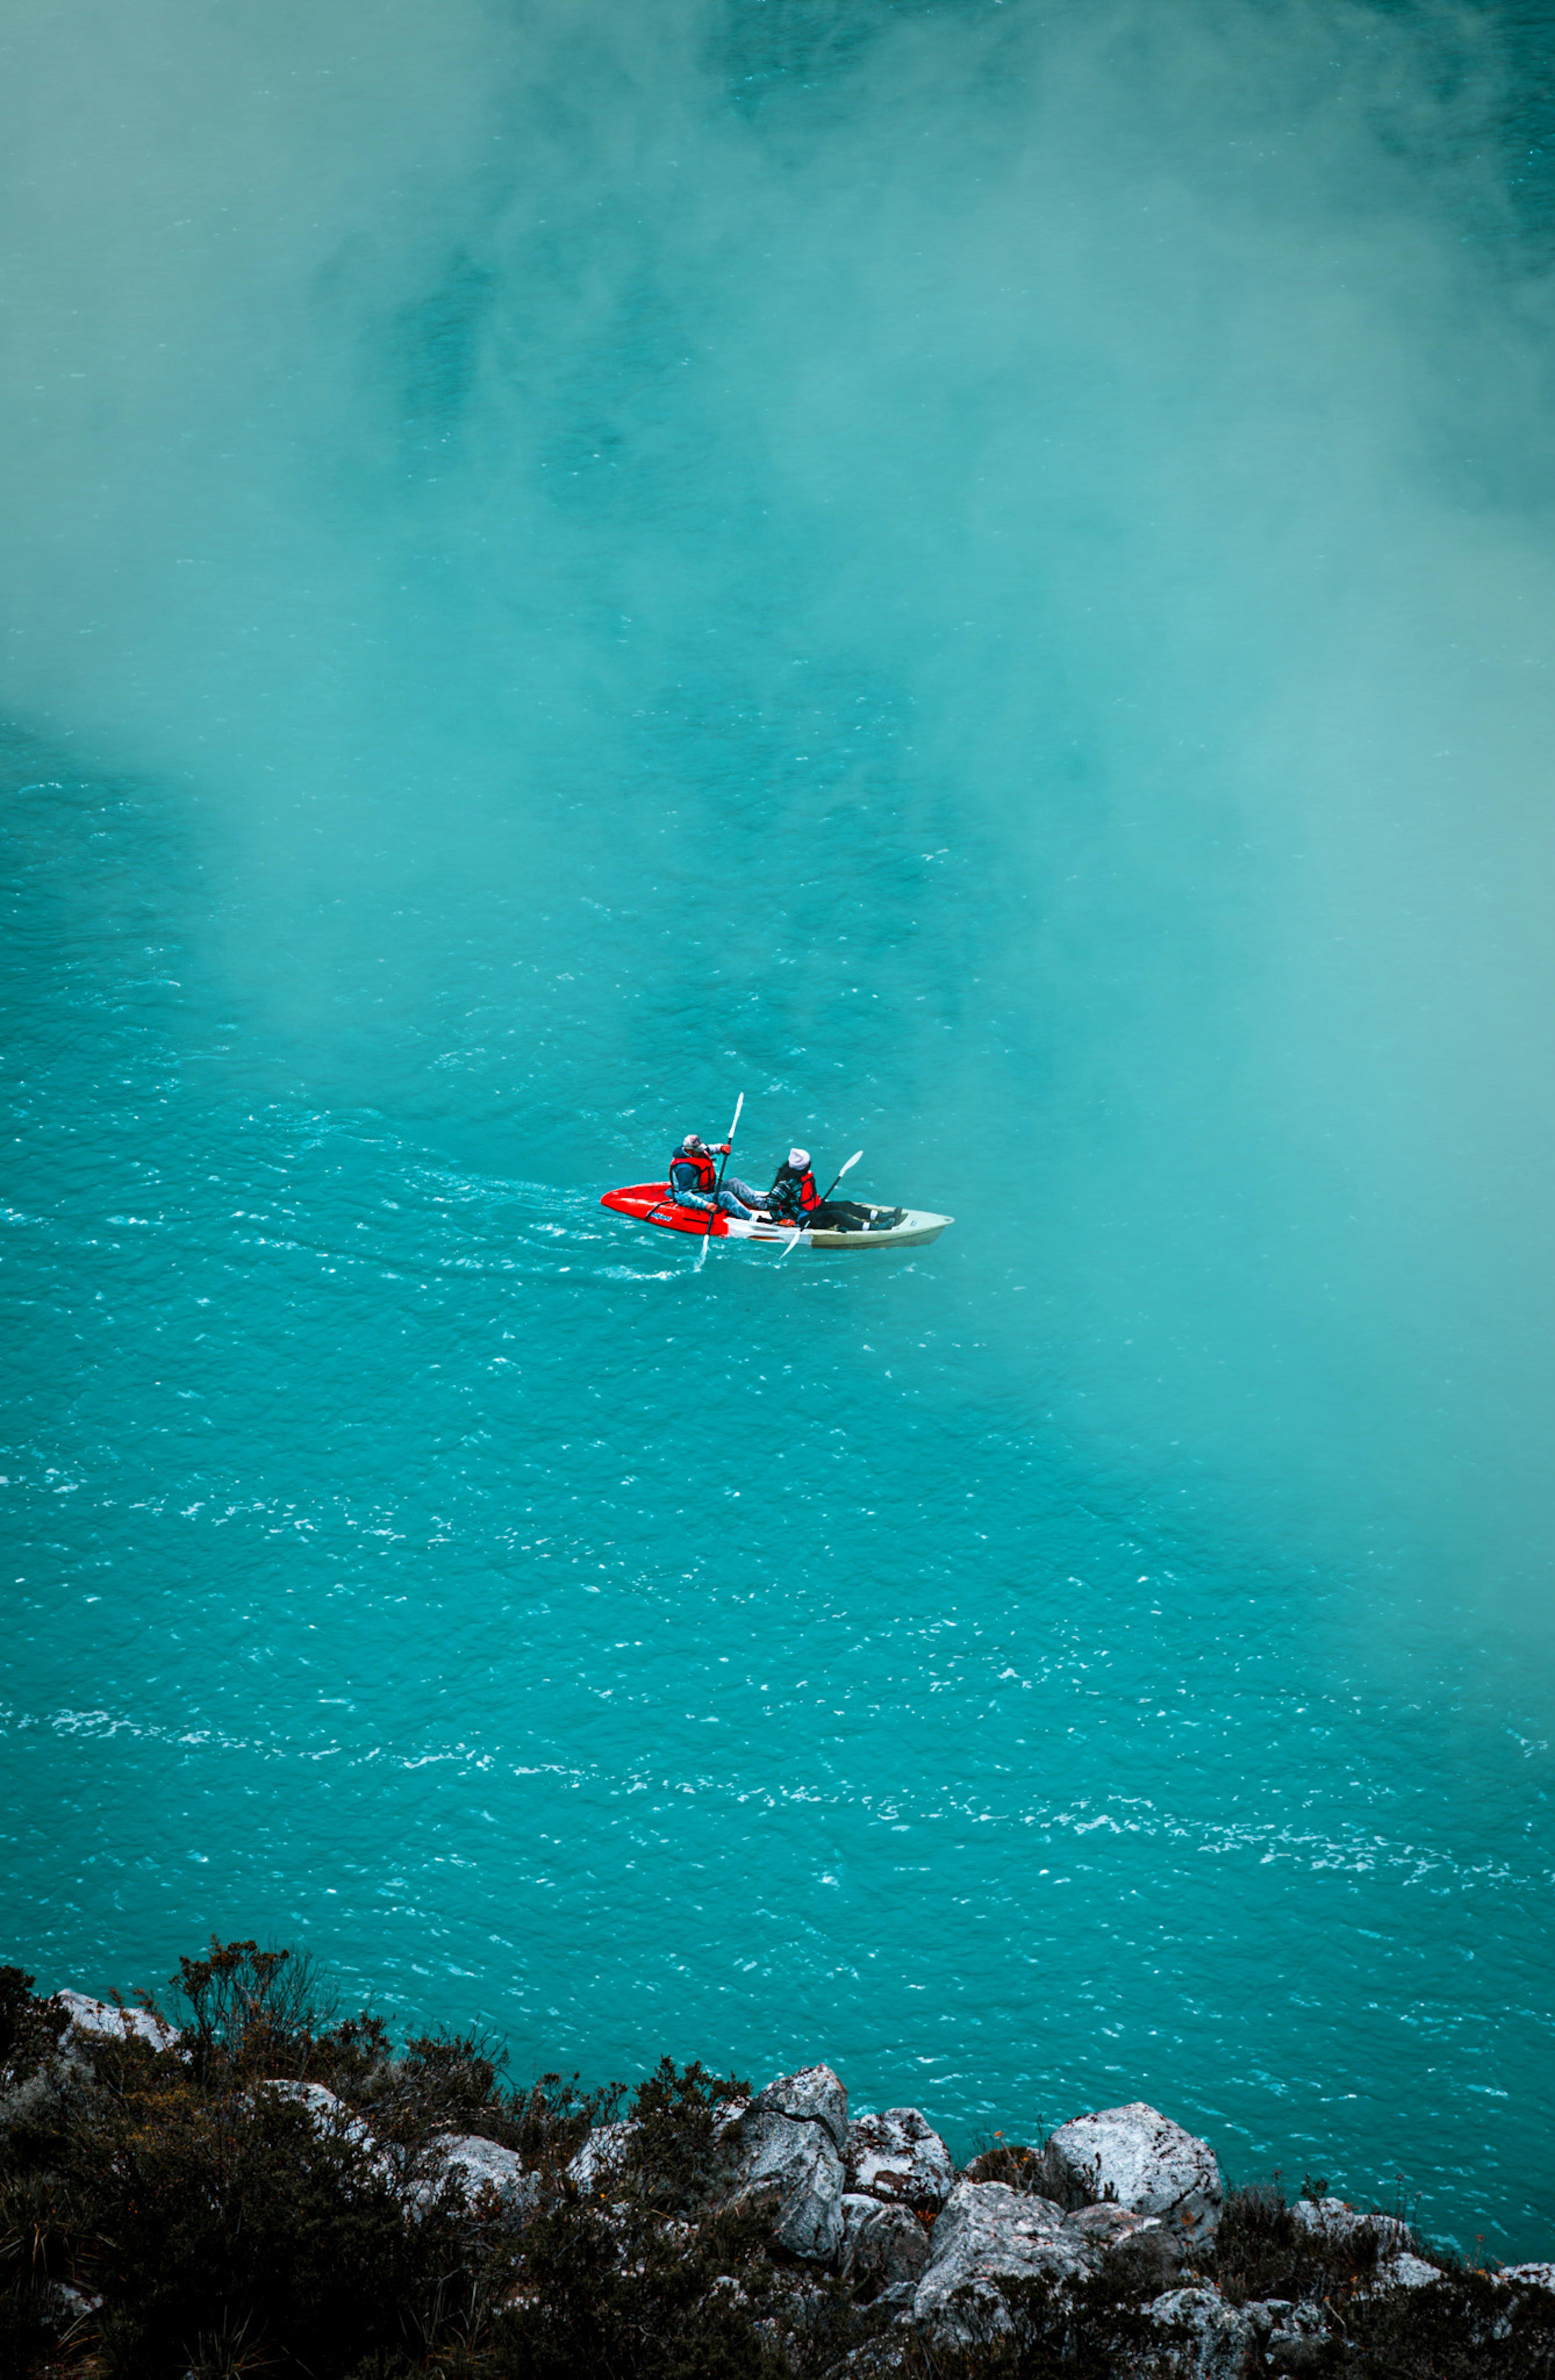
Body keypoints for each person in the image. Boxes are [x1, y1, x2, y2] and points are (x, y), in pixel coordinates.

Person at [766, 1148, 900, 1232]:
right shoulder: (787, 1183)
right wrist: (780, 1220)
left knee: (844, 1205)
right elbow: (772, 1199)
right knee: (837, 1215)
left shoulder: (801, 1176)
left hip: (811, 1209)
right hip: (801, 1219)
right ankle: (874, 1228)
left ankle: (880, 1217)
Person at [667, 1133, 770, 1220]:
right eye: (699, 1150)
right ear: (689, 1151)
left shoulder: (697, 1152)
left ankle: (763, 1205)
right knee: (726, 1197)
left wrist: (721, 1148)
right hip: (693, 1197)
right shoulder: (685, 1170)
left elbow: (710, 1149)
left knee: (734, 1183)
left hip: (706, 1190)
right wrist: (706, 1205)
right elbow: (685, 1195)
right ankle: (753, 1219)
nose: (702, 1152)